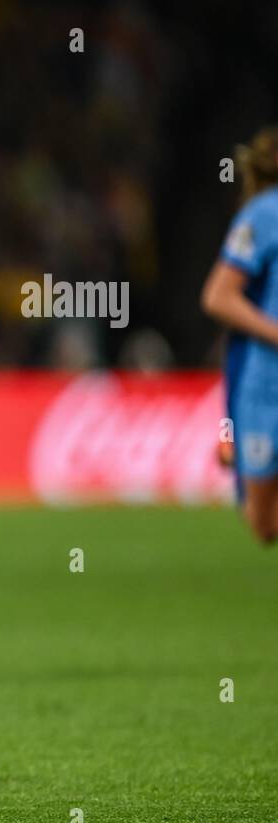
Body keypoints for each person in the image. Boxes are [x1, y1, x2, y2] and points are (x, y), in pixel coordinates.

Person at [201, 125, 278, 544]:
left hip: (257, 383)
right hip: (264, 384)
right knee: (261, 524)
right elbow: (219, 298)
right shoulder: (263, 215)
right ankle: (238, 449)